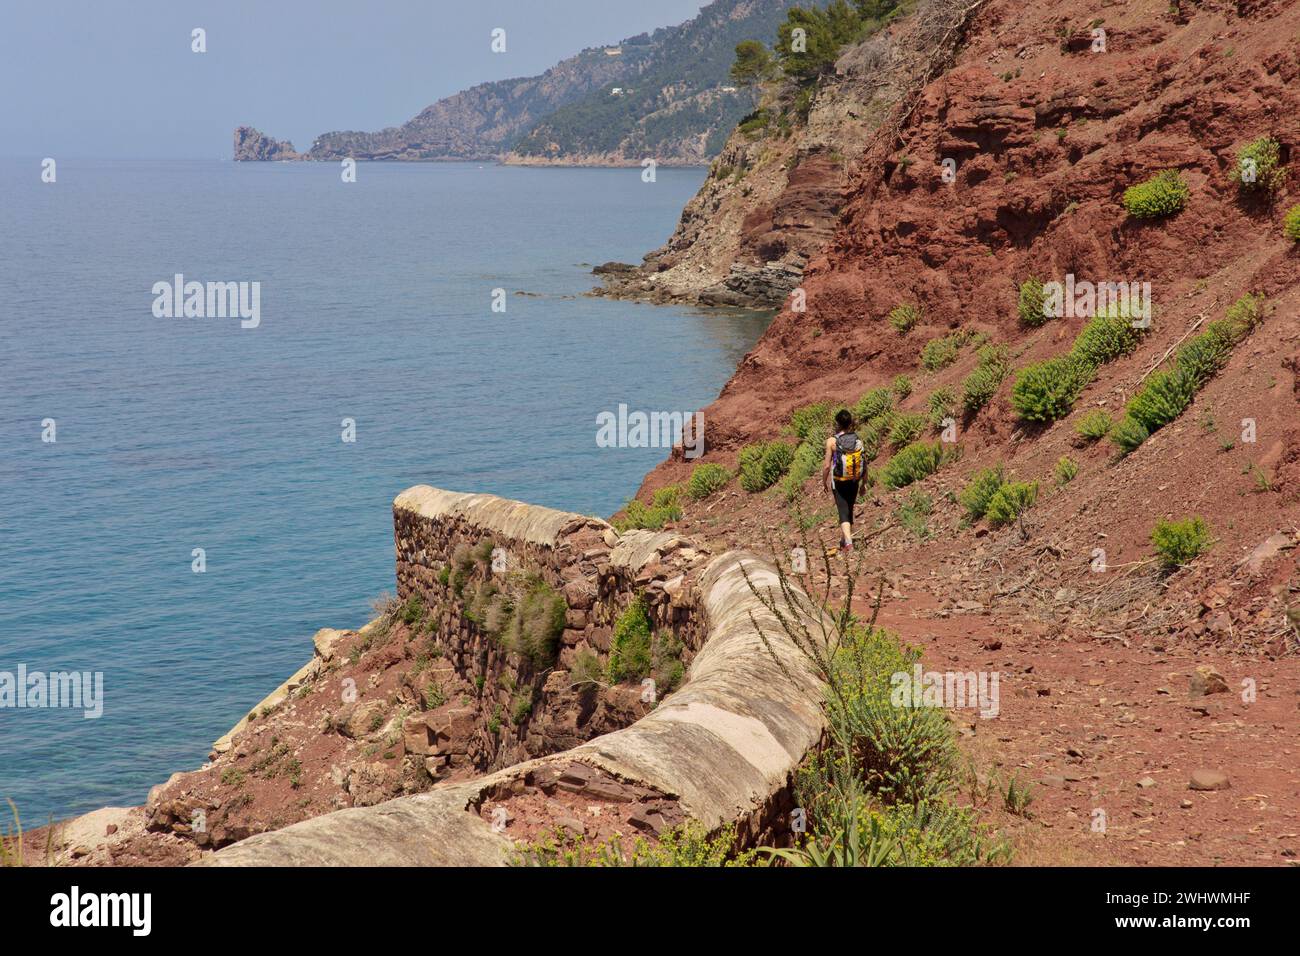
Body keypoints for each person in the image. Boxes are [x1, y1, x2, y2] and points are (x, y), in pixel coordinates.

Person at [822, 409, 865, 553]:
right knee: (849, 508)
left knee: (842, 511)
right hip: (854, 479)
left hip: (839, 480)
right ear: (850, 422)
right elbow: (865, 463)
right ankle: (844, 540)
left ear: (838, 423)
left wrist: (824, 481)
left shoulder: (832, 441)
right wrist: (864, 483)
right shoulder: (858, 439)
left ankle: (848, 543)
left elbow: (827, 465)